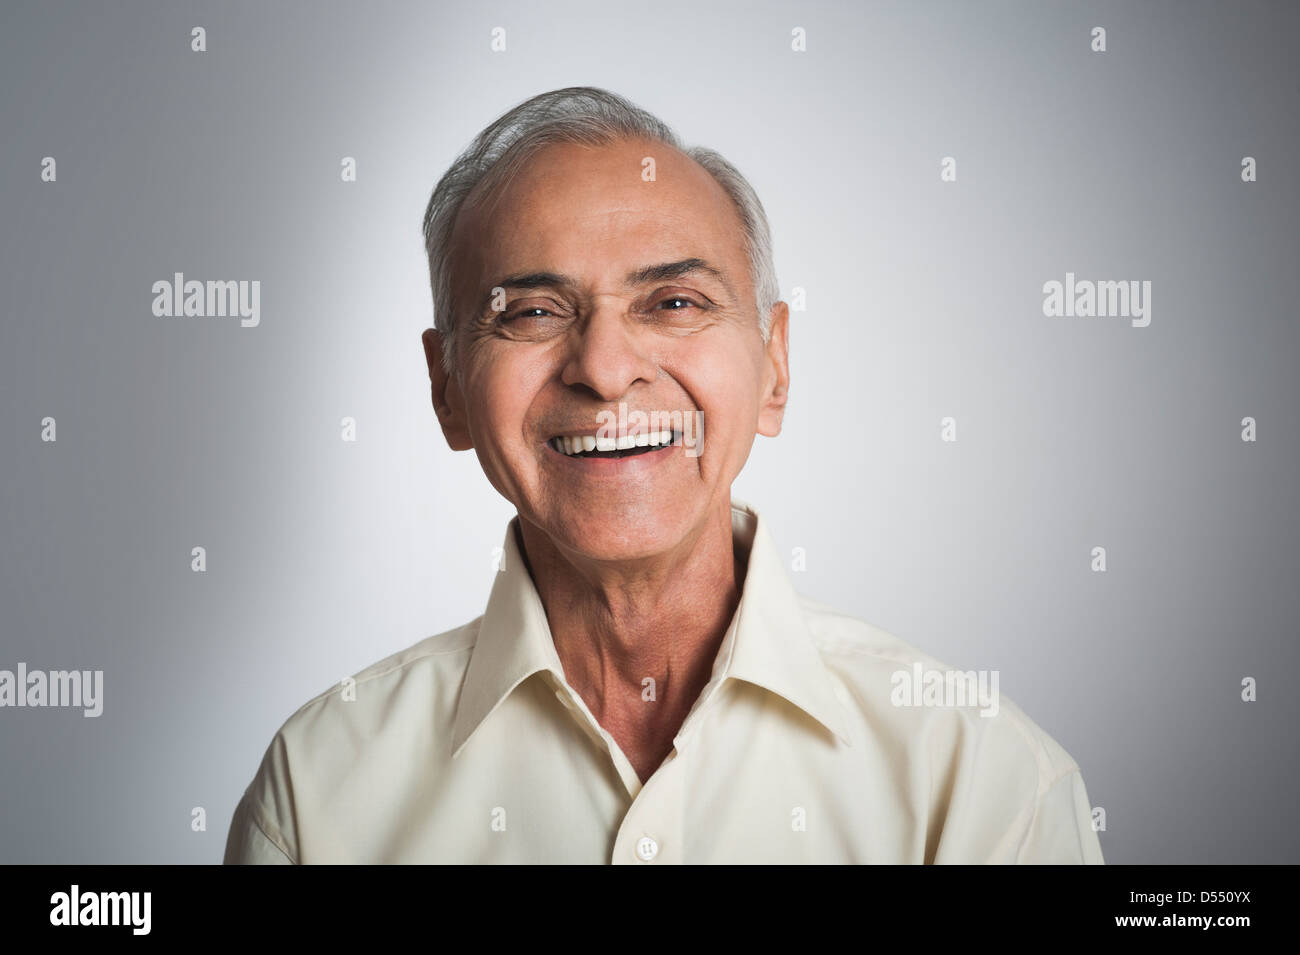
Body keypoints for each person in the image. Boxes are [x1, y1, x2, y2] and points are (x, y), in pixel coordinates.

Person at [224, 86, 1104, 864]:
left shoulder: (984, 784)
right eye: (533, 312)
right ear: (447, 387)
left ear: (775, 367)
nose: (606, 369)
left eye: (675, 302)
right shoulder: (316, 792)